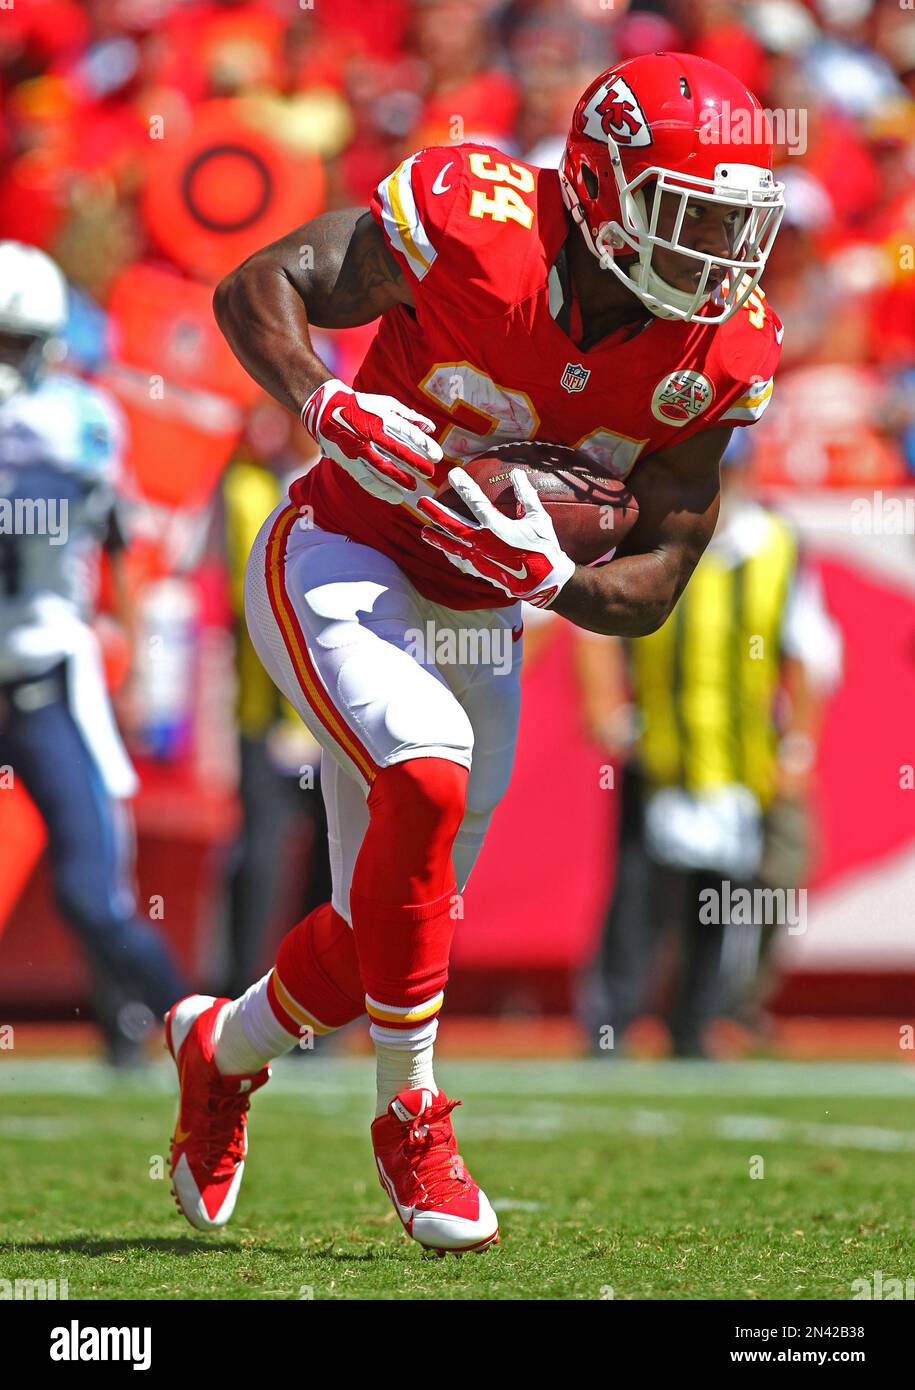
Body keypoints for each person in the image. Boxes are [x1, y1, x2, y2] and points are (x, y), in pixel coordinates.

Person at [165, 52, 786, 1253]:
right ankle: (412, 1115)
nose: (716, 253)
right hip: (339, 553)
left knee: (384, 922)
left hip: (478, 610)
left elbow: (658, 574)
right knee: (427, 764)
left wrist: (555, 578)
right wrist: (326, 405)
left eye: (733, 223)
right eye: (687, 214)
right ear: (601, 188)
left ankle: (219, 1047)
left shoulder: (720, 351)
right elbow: (260, 285)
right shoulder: (478, 221)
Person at [580, 440, 842, 1057]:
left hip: (739, 754)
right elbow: (595, 615)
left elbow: (813, 652)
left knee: (719, 901)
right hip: (662, 746)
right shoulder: (655, 533)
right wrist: (606, 711)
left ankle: (695, 1027)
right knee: (639, 898)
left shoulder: (777, 544)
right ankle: (609, 1029)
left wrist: (797, 750)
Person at [0, 241, 187, 1063]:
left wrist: (141, 663)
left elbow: (47, 518)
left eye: (10, 343)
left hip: (42, 671)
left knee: (89, 891)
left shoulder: (71, 418)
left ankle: (186, 1025)